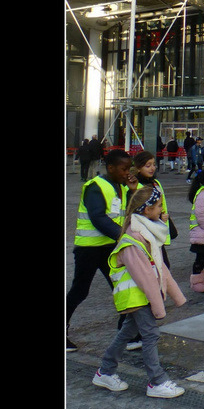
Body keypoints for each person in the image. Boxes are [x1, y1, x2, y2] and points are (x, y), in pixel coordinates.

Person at [91, 185, 187, 398]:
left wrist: (177, 296)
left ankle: (105, 371)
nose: (162, 209)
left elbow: (160, 268)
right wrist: (159, 307)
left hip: (138, 295)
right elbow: (145, 277)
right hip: (136, 296)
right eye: (159, 206)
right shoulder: (134, 240)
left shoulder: (144, 235)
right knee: (150, 334)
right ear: (147, 210)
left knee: (127, 332)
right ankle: (157, 382)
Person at [67, 149, 136, 352]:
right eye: (124, 169)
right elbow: (98, 217)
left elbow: (130, 210)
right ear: (111, 168)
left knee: (123, 288)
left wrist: (132, 191)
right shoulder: (95, 186)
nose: (127, 172)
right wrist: (122, 236)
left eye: (129, 168)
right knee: (80, 290)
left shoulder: (121, 188)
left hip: (110, 248)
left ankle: (126, 333)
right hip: (89, 249)